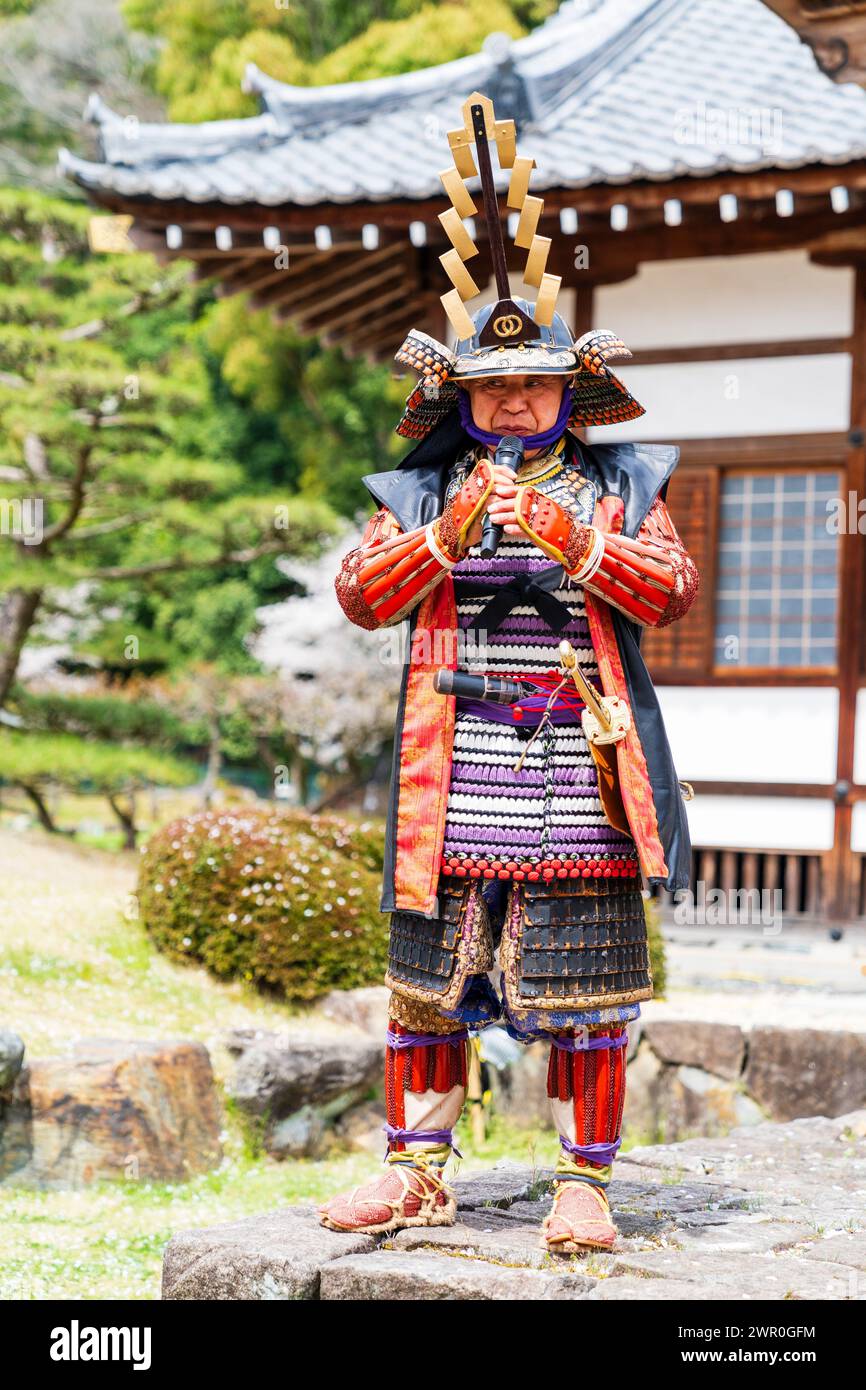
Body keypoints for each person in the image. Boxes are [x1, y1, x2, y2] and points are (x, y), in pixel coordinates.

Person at [319, 94, 699, 1253]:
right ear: (463, 400)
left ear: (567, 395)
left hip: (580, 763)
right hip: (458, 766)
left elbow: (670, 594)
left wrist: (569, 536)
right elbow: (358, 595)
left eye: (533, 383)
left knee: (587, 981)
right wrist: (451, 532)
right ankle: (417, 1168)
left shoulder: (622, 489)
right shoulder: (418, 494)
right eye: (492, 388)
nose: (513, 400)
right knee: (427, 980)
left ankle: (581, 1182)